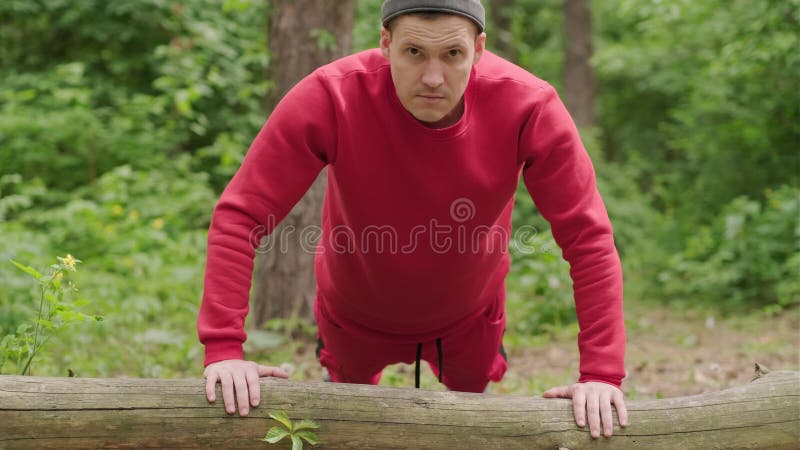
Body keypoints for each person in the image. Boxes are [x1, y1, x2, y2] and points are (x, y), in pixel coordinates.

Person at [198, 0, 629, 439]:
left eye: (452, 55)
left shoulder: (528, 106)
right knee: (350, 433)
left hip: (469, 318)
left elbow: (588, 239)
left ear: (479, 49)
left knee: (469, 434)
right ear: (386, 44)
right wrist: (224, 349)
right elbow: (241, 213)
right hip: (354, 314)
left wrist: (601, 375)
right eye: (415, 52)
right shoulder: (333, 96)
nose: (432, 78)